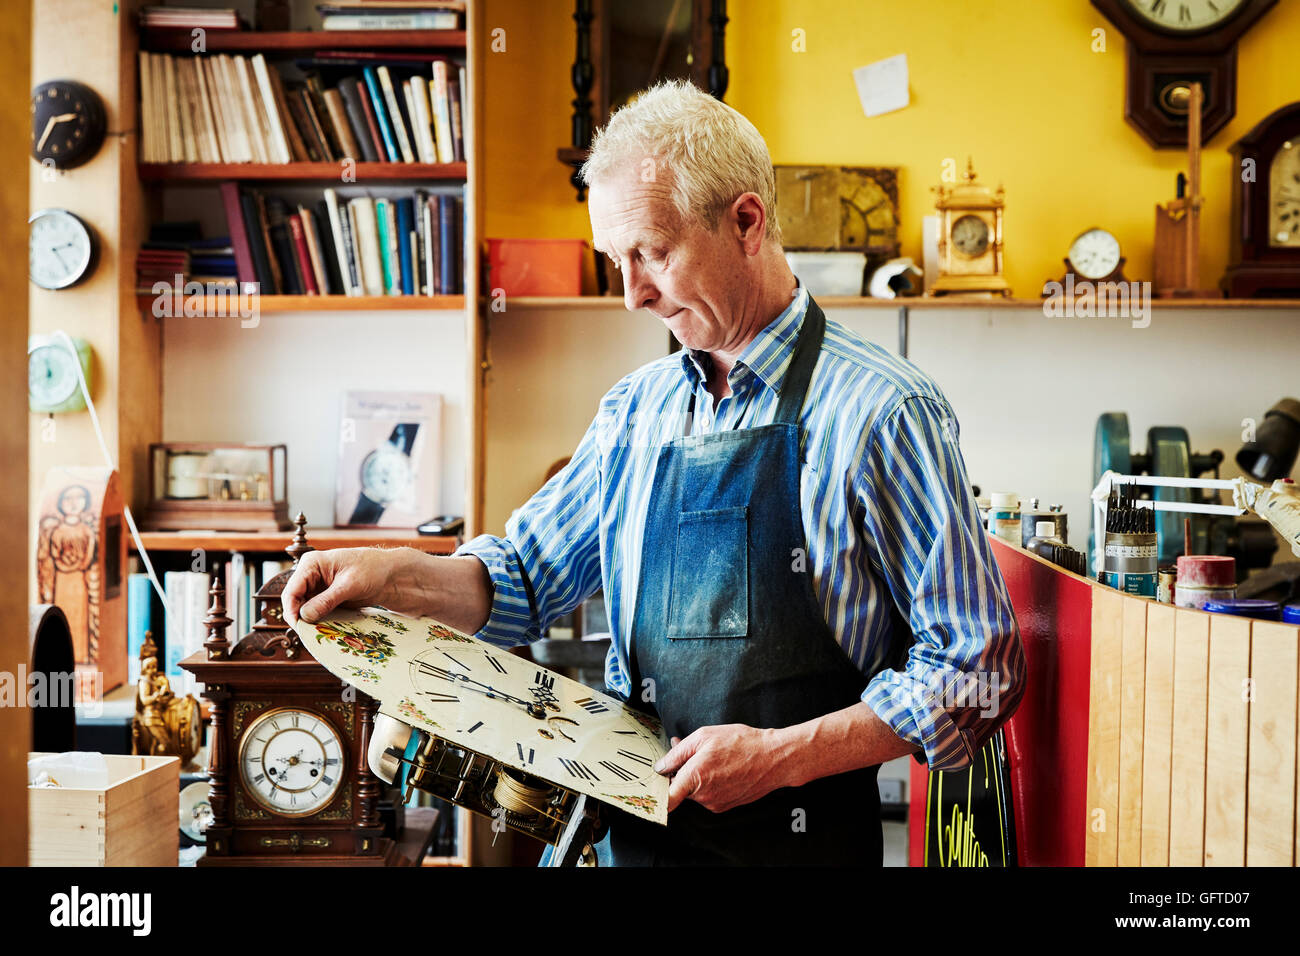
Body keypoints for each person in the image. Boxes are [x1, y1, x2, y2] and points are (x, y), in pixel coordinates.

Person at [282, 79, 1025, 866]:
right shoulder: (635, 411)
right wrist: (393, 577)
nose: (633, 293)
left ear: (746, 222)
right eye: (615, 260)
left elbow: (977, 666)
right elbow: (526, 578)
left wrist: (780, 757)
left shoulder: (884, 410)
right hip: (623, 844)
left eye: (653, 254)